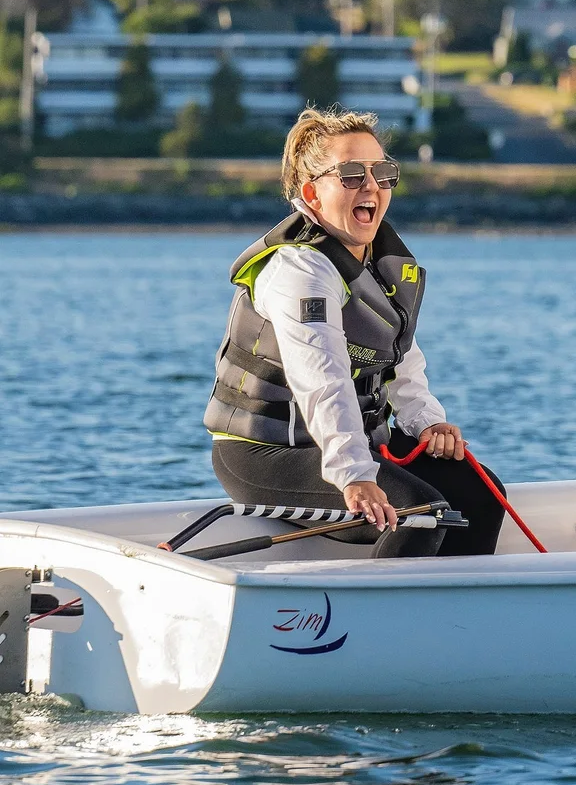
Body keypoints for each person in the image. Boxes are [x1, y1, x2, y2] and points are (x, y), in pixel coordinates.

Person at [204, 105, 506, 556]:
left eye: (382, 172)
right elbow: (320, 377)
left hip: (350, 443)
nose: (371, 186)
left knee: (482, 498)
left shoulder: (377, 261)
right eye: (349, 174)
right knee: (419, 513)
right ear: (311, 193)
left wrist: (427, 422)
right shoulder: (298, 271)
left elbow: (400, 356)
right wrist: (354, 473)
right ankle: (385, 625)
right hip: (265, 453)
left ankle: (453, 621)